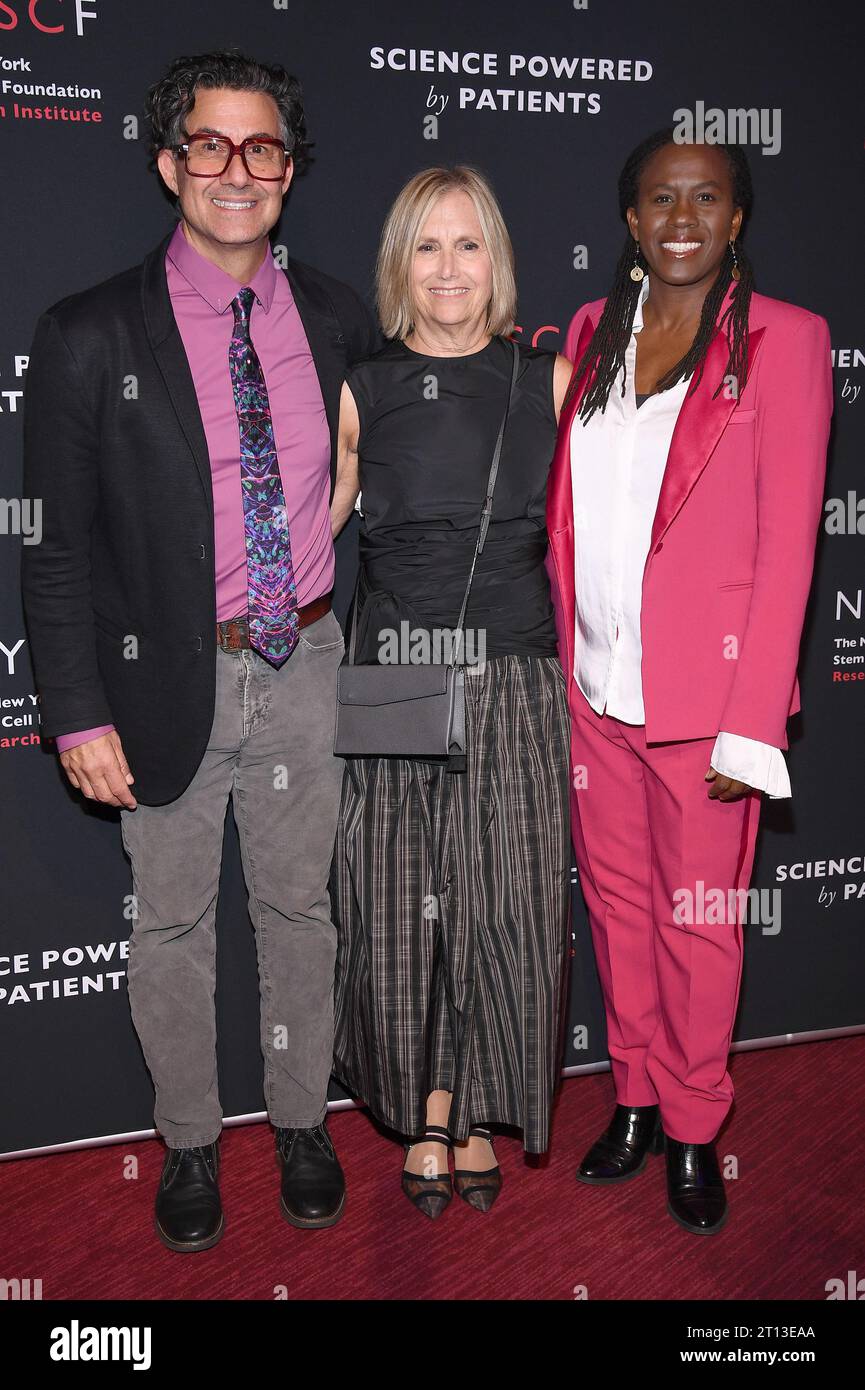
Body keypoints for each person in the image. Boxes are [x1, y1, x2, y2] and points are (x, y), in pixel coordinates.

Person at [21, 49, 378, 1252]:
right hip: (156, 676)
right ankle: (185, 1140)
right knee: (169, 924)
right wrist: (73, 711)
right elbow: (55, 547)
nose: (238, 170)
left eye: (262, 147)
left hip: (312, 662)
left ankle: (299, 1120)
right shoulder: (82, 334)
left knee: (300, 912)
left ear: (288, 168)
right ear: (169, 162)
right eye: (210, 146)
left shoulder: (338, 319)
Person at [547, 129, 833, 1234]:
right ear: (628, 218)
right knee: (617, 912)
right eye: (659, 197)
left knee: (698, 923)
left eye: (704, 197)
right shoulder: (593, 330)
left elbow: (789, 546)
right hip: (596, 692)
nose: (680, 216)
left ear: (736, 216)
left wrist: (750, 719)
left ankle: (692, 1126)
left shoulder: (787, 340)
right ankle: (629, 1095)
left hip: (707, 710)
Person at [329, 165, 574, 1219]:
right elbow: (303, 536)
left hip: (514, 671)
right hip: (390, 672)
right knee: (397, 907)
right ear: (400, 263)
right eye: (425, 246)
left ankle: (473, 1103)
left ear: (496, 262)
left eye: (467, 244)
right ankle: (426, 1106)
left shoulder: (549, 381)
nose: (446, 268)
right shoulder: (362, 388)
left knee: (498, 903)